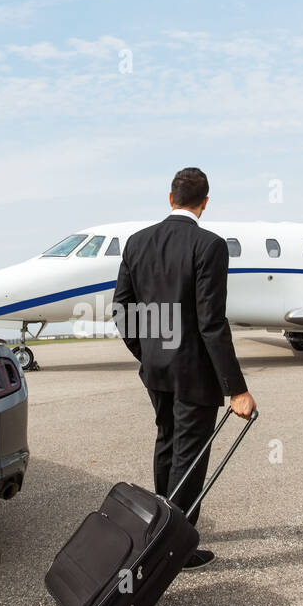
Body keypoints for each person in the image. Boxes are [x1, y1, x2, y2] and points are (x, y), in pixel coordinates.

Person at [113, 167, 257, 570]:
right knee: (189, 456)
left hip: (156, 369)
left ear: (170, 198)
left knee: (167, 443)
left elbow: (122, 309)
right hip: (194, 371)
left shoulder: (137, 243)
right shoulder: (209, 245)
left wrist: (147, 352)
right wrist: (236, 389)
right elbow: (212, 321)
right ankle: (175, 547)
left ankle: (161, 527)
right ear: (205, 202)